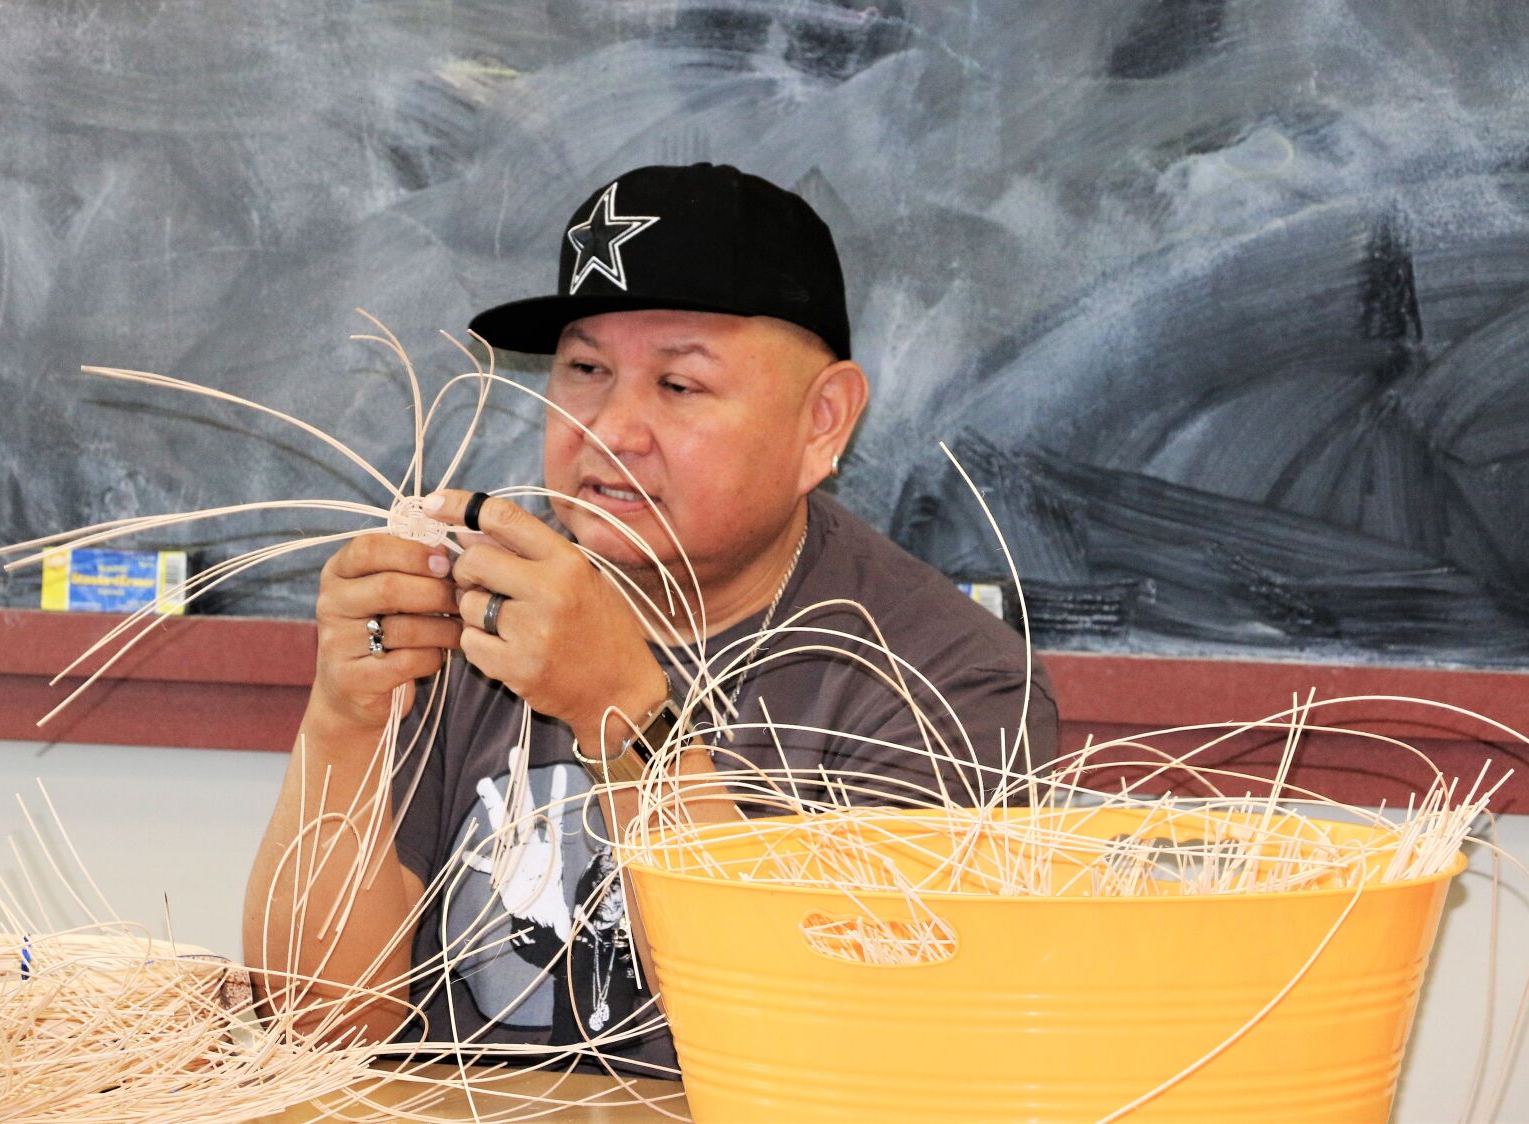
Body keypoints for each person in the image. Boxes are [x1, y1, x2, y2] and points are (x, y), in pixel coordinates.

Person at [243, 163, 1058, 1070]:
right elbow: (317, 1026)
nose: (610, 430)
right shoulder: (465, 605)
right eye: (586, 370)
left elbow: (842, 1047)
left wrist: (626, 718)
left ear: (822, 422)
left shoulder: (944, 678)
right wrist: (342, 722)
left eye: (678, 385)